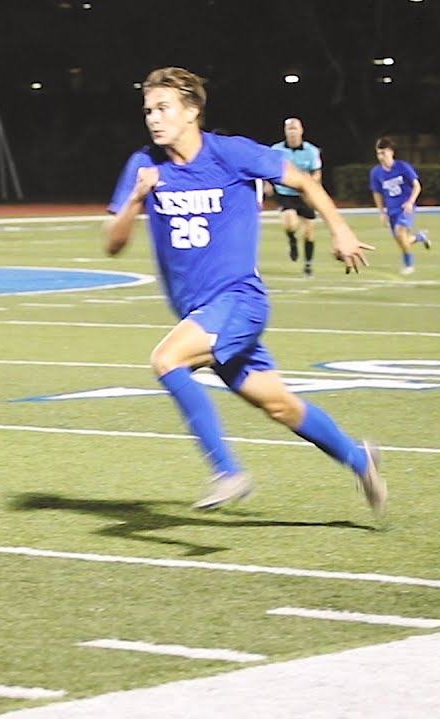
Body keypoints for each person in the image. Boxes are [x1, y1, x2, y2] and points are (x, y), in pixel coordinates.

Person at [104, 66, 386, 515]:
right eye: (148, 111)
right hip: (202, 314)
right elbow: (113, 245)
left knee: (167, 360)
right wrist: (137, 199)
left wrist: (341, 230)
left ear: (192, 110)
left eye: (163, 108)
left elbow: (303, 181)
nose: (153, 119)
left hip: (239, 301)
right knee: (279, 406)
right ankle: (359, 458)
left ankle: (227, 472)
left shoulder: (230, 153)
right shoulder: (143, 165)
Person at [267, 117, 322, 277]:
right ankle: (292, 240)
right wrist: (268, 183)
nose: (292, 132)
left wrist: (312, 184)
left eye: (295, 128)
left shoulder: (311, 151)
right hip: (285, 193)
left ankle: (308, 265)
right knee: (290, 223)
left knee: (309, 231)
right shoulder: (276, 150)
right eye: (289, 129)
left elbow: (316, 171)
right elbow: (267, 169)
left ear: (301, 130)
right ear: (285, 132)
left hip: (304, 194)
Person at [369, 137, 431, 275]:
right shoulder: (376, 173)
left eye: (383, 153)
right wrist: (381, 212)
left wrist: (410, 202)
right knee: (402, 241)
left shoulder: (402, 166)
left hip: (405, 208)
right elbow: (377, 193)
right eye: (378, 153)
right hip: (392, 210)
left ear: (391, 152)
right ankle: (420, 237)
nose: (380, 157)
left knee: (400, 232)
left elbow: (417, 186)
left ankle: (409, 265)